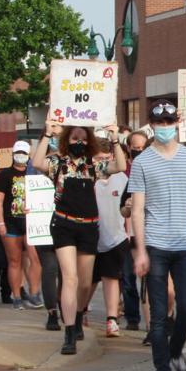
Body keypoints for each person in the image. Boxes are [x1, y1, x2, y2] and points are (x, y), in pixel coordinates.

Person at [129, 100, 186, 371]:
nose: (165, 128)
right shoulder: (141, 162)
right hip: (155, 242)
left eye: (169, 122)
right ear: (152, 125)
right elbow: (137, 210)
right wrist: (140, 250)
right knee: (158, 312)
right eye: (160, 123)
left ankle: (175, 351)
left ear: (177, 122)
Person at [33, 122, 126, 355]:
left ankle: (78, 313)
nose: (79, 143)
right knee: (70, 278)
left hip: (88, 227)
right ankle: (69, 331)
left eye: (84, 139)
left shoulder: (94, 164)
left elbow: (121, 166)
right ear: (66, 139)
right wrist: (46, 133)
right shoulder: (58, 162)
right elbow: (37, 163)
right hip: (63, 224)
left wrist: (115, 140)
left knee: (85, 283)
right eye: (75, 138)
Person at [93, 136, 131, 338]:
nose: (103, 162)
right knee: (87, 282)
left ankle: (112, 319)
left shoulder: (122, 179)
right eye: (99, 158)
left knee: (111, 277)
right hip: (90, 237)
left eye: (107, 158)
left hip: (115, 238)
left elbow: (128, 207)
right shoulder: (87, 177)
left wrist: (129, 234)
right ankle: (80, 311)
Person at [0, 142, 36, 313]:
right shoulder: (6, 175)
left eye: (23, 153)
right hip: (11, 221)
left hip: (31, 222)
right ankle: (16, 296)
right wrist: (1, 222)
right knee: (14, 261)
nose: (20, 155)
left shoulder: (34, 173)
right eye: (18, 152)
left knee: (34, 258)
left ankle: (34, 293)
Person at [119, 130, 149, 330]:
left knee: (148, 281)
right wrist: (127, 208)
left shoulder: (151, 168)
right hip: (126, 234)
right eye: (135, 148)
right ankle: (132, 318)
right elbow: (122, 208)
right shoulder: (123, 172)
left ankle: (154, 323)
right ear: (128, 148)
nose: (139, 151)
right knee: (128, 279)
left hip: (149, 234)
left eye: (142, 147)